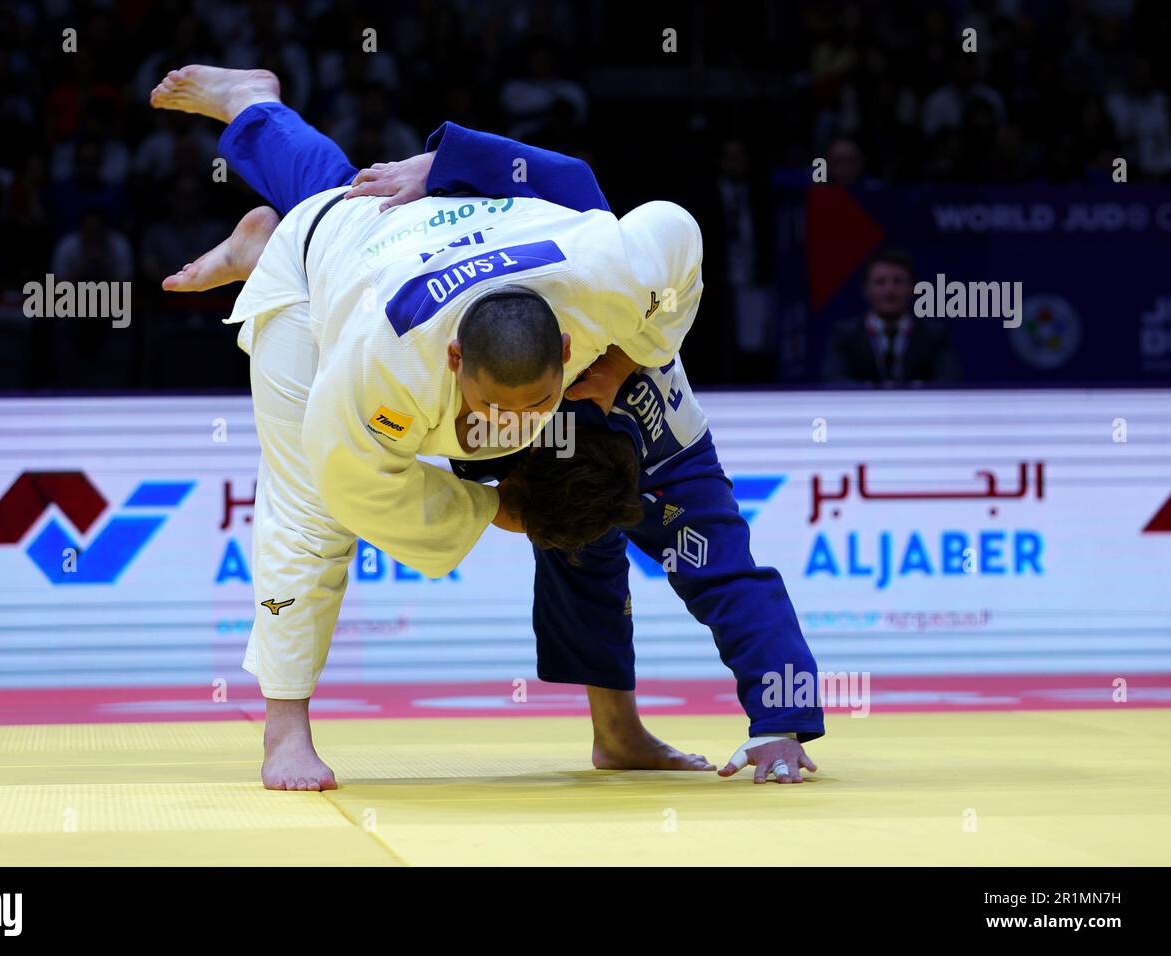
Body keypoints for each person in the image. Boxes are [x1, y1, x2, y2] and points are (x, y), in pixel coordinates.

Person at [156, 71, 823, 785]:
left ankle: (617, 730)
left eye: (522, 420)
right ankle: (283, 732)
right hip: (374, 260)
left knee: (357, 200)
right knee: (306, 499)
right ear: (458, 365)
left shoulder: (616, 290)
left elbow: (724, 561)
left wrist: (781, 722)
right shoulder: (382, 369)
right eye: (494, 419)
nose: (506, 429)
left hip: (447, 247)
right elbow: (345, 491)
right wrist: (487, 507)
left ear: (569, 357)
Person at [821, 249, 961, 386]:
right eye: (880, 282)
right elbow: (835, 381)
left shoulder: (934, 335)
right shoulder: (844, 335)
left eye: (898, 281)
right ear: (865, 289)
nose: (889, 290)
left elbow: (948, 381)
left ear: (912, 287)